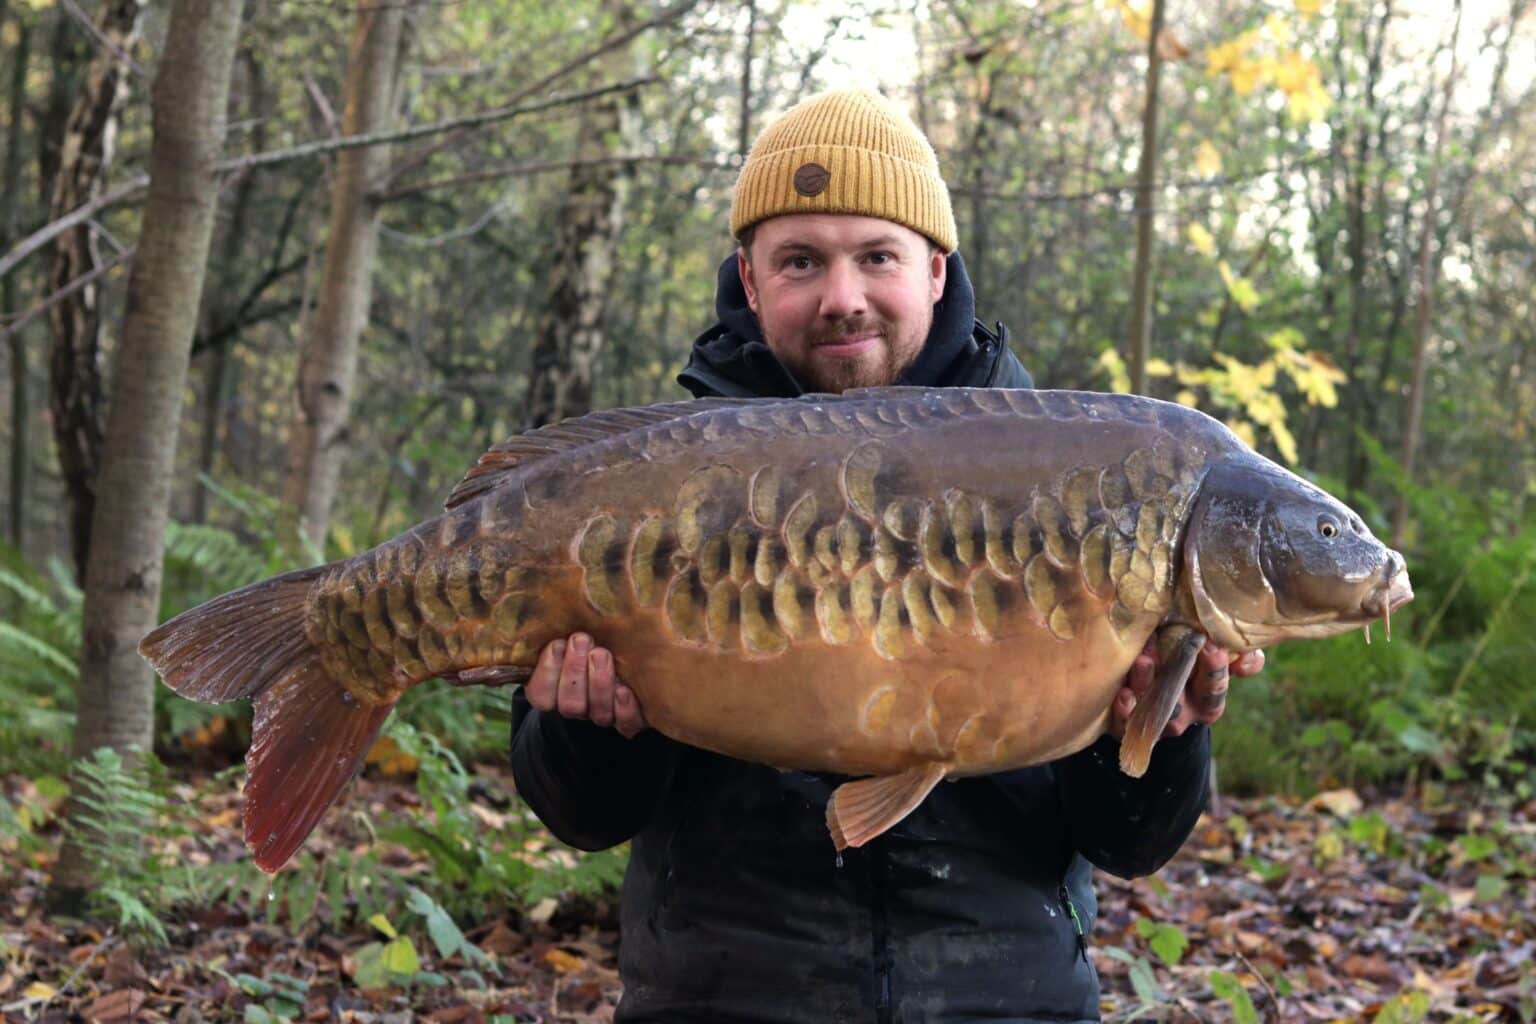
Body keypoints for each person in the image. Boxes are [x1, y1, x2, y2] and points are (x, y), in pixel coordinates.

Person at [510, 88, 1264, 1022]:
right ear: (750, 281)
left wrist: (1162, 730)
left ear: (935, 271)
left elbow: (1131, 844)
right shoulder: (656, 486)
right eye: (801, 261)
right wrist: (591, 728)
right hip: (721, 998)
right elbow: (583, 818)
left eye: (877, 256)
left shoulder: (1078, 485)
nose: (842, 298)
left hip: (1006, 1004)